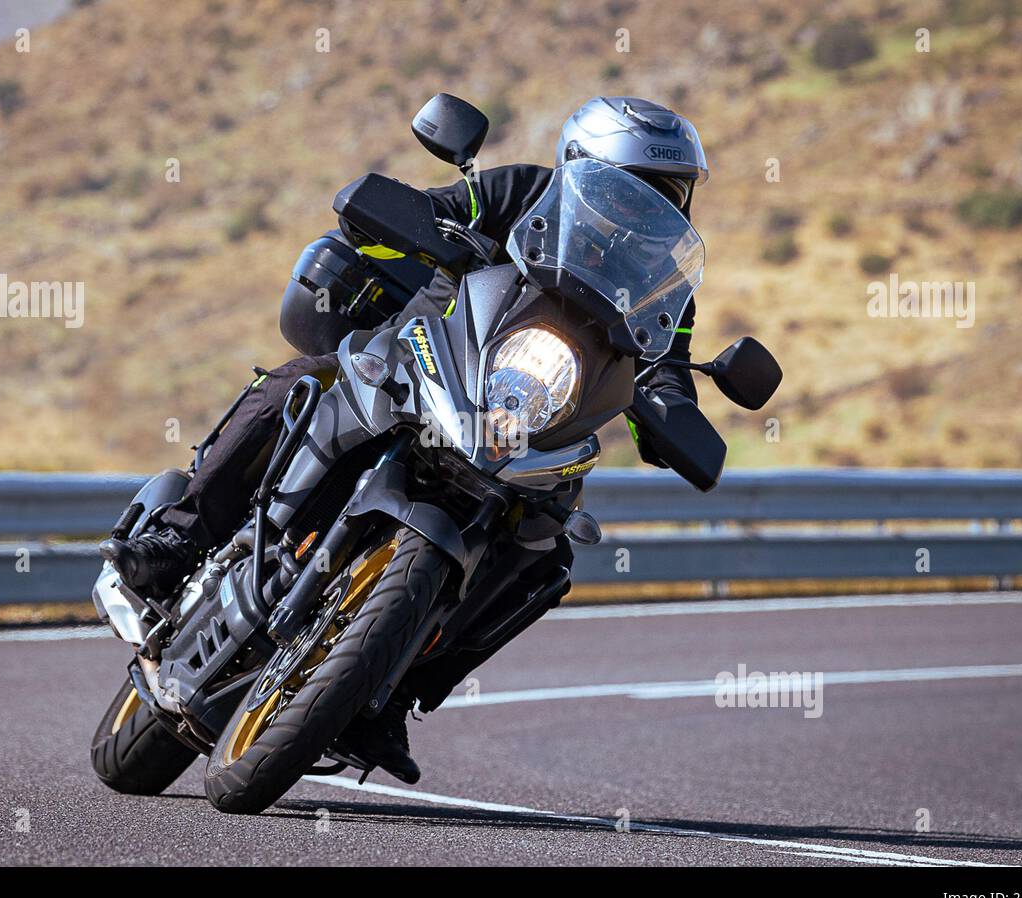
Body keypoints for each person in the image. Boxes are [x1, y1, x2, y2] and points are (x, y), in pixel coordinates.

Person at [101, 96, 709, 782]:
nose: (643, 206)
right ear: (581, 167)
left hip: (533, 425)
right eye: (629, 187)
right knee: (303, 382)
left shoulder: (664, 286)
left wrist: (672, 414)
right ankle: (182, 534)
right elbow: (438, 206)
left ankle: (388, 691)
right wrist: (427, 225)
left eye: (664, 193)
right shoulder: (525, 191)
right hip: (433, 355)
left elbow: (670, 367)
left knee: (545, 552)